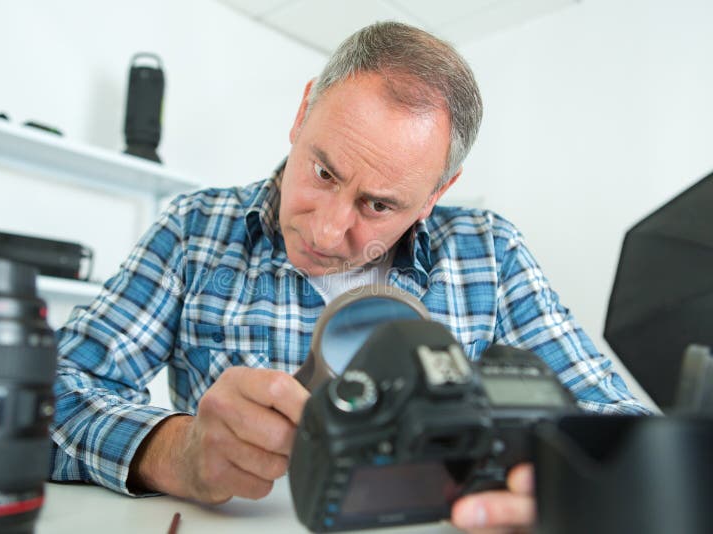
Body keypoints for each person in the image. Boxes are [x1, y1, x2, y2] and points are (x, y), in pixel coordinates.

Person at [49, 21, 649, 532]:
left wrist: (561, 487)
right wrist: (175, 452)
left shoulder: (489, 253)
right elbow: (48, 395)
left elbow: (624, 432)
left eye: (378, 206)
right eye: (324, 172)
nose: (328, 232)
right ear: (302, 111)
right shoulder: (193, 231)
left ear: (436, 194)